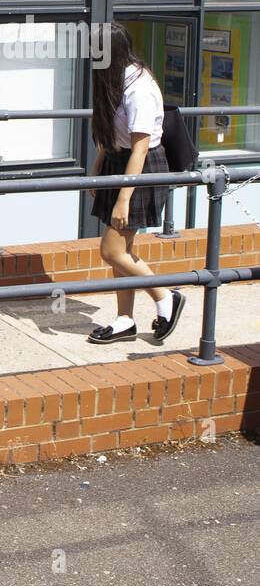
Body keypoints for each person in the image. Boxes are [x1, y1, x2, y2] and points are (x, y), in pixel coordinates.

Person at [86, 21, 186, 345]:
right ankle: (125, 319)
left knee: (111, 250)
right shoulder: (113, 79)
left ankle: (165, 296)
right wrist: (98, 166)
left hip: (140, 169)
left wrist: (123, 198)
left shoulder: (139, 86)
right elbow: (111, 130)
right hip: (119, 162)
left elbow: (141, 146)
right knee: (123, 250)